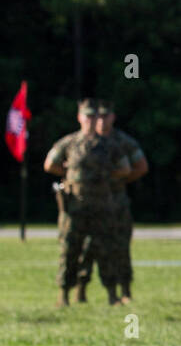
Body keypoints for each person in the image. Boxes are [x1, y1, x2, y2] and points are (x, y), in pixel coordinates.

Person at [44, 99, 130, 306]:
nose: (91, 120)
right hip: (75, 206)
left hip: (102, 205)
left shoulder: (110, 145)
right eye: (87, 116)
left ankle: (112, 294)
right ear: (80, 117)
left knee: (105, 249)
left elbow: (126, 169)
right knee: (70, 249)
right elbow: (49, 164)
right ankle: (64, 294)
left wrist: (107, 176)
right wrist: (70, 174)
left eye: (94, 116)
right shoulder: (70, 142)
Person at [77, 101, 148, 304]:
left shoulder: (122, 141)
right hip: (88, 203)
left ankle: (125, 289)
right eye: (96, 116)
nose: (100, 120)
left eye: (104, 115)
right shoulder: (82, 142)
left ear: (112, 117)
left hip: (116, 202)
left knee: (119, 246)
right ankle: (81, 289)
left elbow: (141, 167)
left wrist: (114, 181)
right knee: (87, 246)